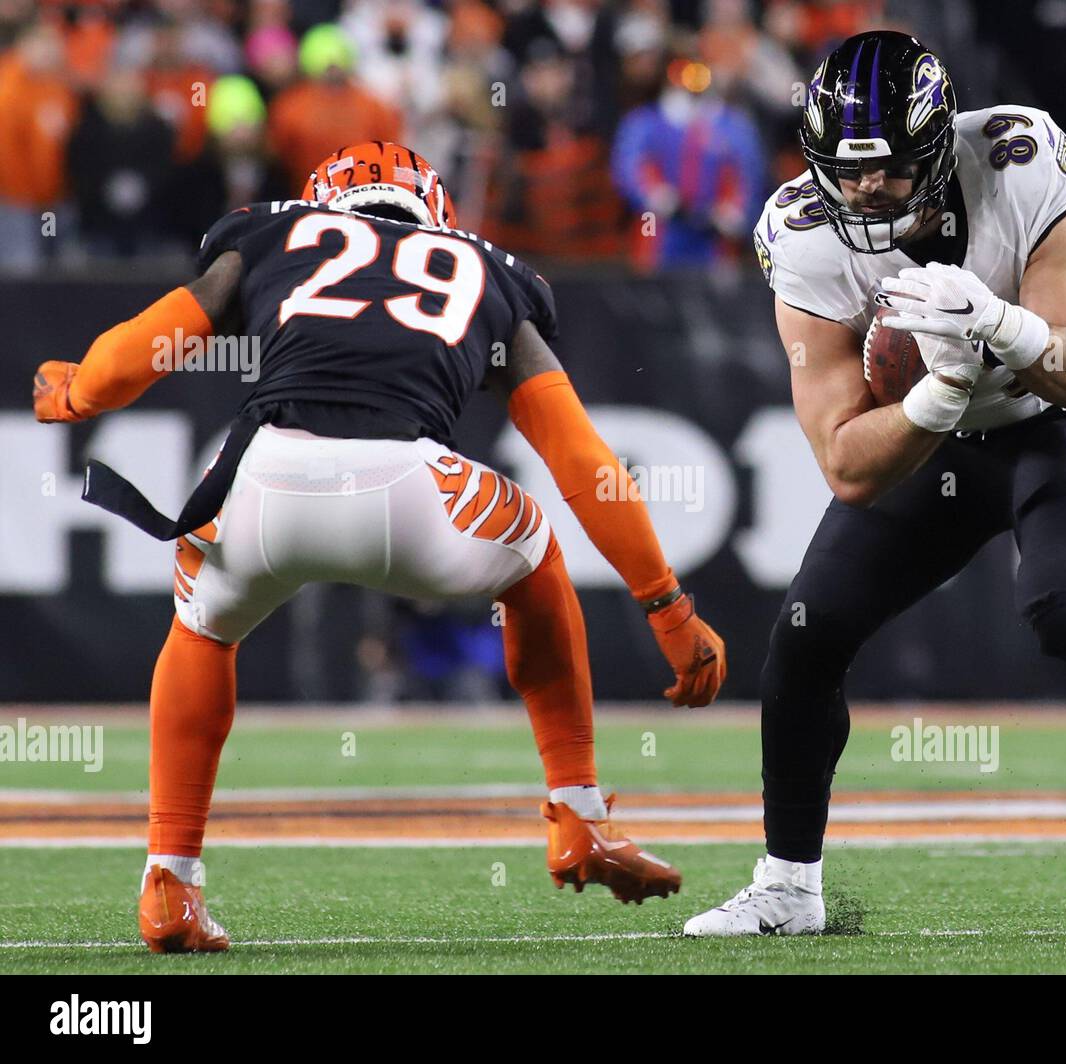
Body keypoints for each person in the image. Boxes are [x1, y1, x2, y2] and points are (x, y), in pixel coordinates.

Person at [33, 141, 726, 953]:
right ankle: (578, 812)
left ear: (324, 198)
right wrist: (666, 605)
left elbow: (156, 339)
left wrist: (80, 390)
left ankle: (170, 882)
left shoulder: (272, 235)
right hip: (411, 494)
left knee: (202, 629)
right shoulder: (487, 269)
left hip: (268, 483)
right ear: (433, 209)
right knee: (533, 551)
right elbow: (580, 459)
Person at [684, 30, 1066, 936]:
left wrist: (996, 322)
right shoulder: (801, 238)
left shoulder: (1016, 158)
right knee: (806, 635)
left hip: (1056, 429)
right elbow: (844, 464)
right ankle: (789, 884)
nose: (862, 192)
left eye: (884, 171)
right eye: (844, 173)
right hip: (940, 439)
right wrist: (939, 392)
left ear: (934, 145)